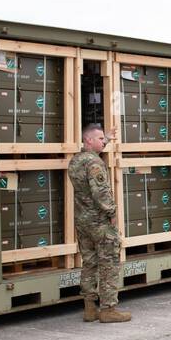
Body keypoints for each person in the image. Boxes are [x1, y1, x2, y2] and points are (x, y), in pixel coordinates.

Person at [68, 124, 130, 323]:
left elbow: (86, 188)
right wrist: (112, 211)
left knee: (90, 262)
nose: (104, 142)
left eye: (105, 139)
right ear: (88, 140)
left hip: (83, 221)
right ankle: (108, 309)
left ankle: (89, 308)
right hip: (99, 222)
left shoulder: (76, 161)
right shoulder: (94, 163)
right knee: (109, 263)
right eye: (100, 139)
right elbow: (100, 192)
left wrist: (108, 137)